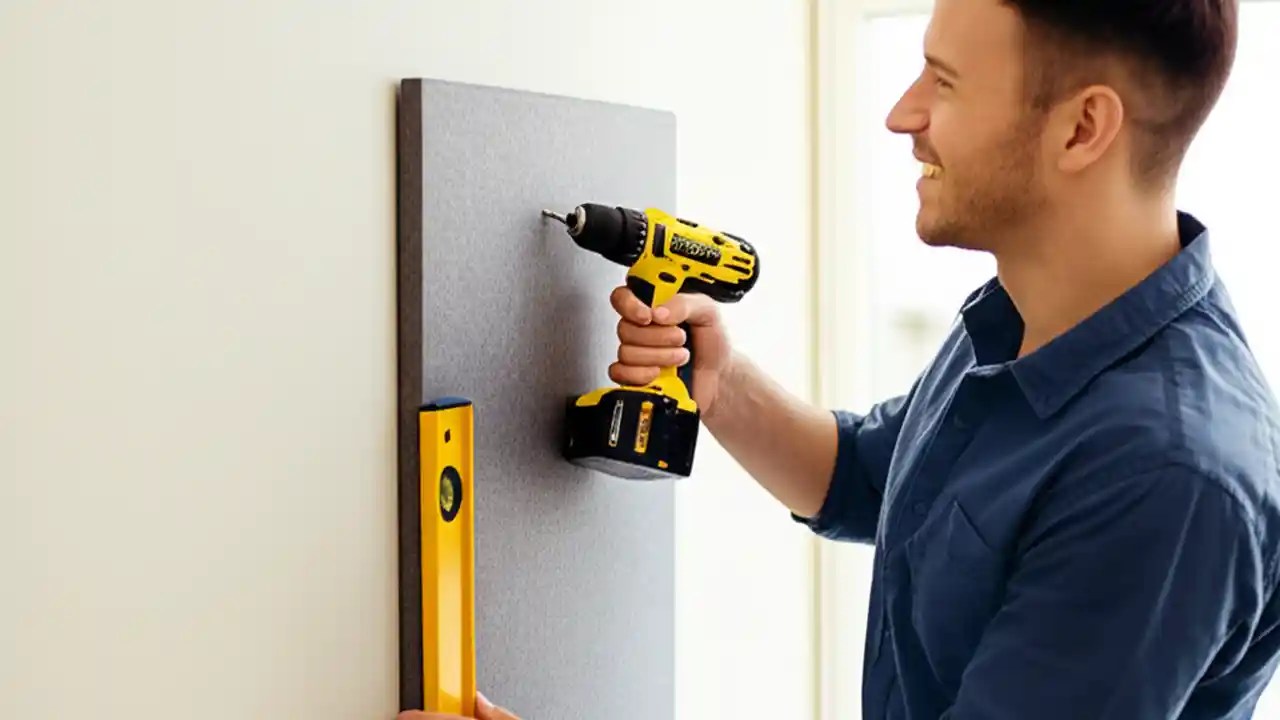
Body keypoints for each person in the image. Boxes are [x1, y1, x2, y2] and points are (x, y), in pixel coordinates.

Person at [398, 0, 1280, 718]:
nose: (903, 114)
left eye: (944, 81)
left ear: (1083, 128)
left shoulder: (1166, 478)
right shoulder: (1033, 312)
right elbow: (870, 477)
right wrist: (723, 382)